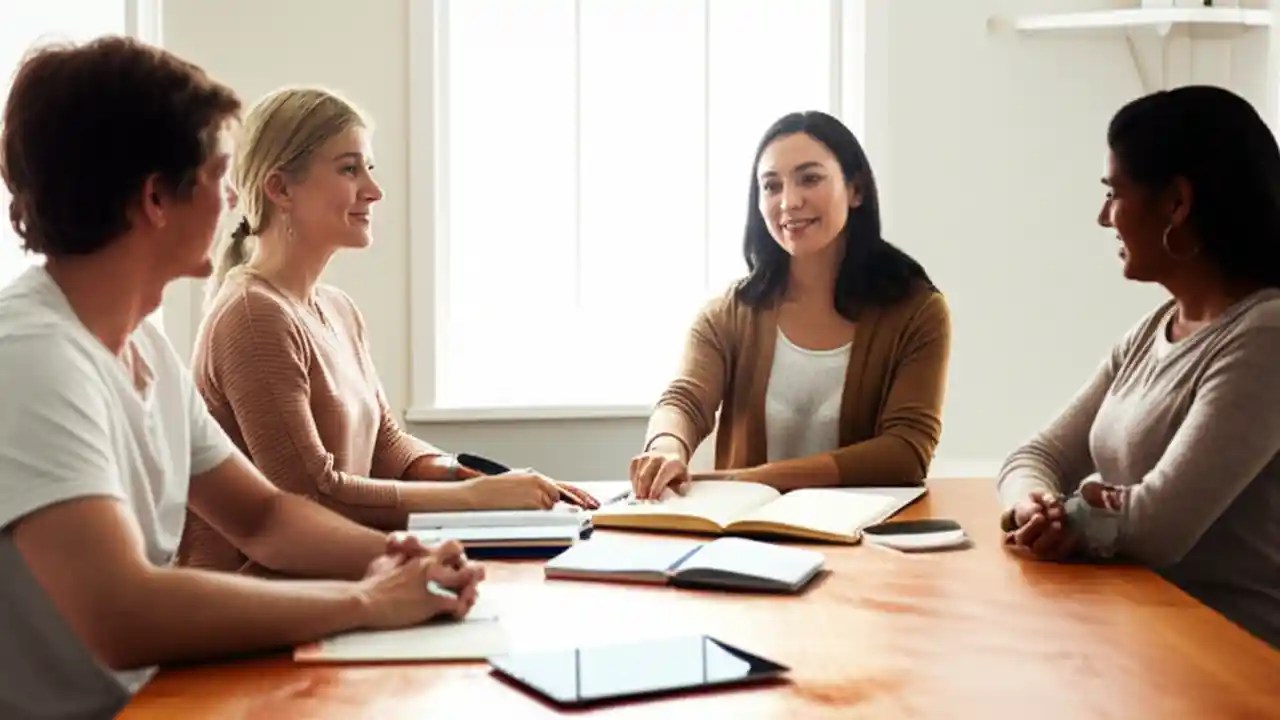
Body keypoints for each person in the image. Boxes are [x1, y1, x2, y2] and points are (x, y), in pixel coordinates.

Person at [0, 38, 483, 718]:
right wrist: (365, 600)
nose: (233, 197)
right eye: (219, 174)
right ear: (156, 197)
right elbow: (121, 612)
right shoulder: (32, 356)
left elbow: (264, 517)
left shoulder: (144, 348)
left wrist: (400, 559)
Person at [179, 87, 595, 572]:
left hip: (335, 580)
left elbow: (386, 447)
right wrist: (476, 498)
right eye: (349, 169)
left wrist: (475, 478)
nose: (373, 191)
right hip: (254, 598)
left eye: (368, 168)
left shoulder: (338, 309)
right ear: (281, 189)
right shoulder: (253, 315)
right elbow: (310, 495)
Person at [998, 85, 1280, 649]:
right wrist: (1033, 506)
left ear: (1176, 203)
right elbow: (1036, 457)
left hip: (1234, 660)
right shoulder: (1152, 331)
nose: (1104, 217)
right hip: (1143, 636)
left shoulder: (1266, 335)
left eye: (1114, 193)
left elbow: (1158, 527)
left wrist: (1069, 517)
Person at [630, 111, 951, 500]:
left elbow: (906, 452)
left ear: (856, 190)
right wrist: (666, 447)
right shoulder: (728, 314)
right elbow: (684, 400)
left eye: (809, 179)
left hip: (864, 530)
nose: (789, 202)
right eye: (771, 186)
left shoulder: (917, 311)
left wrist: (758, 478)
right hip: (748, 528)